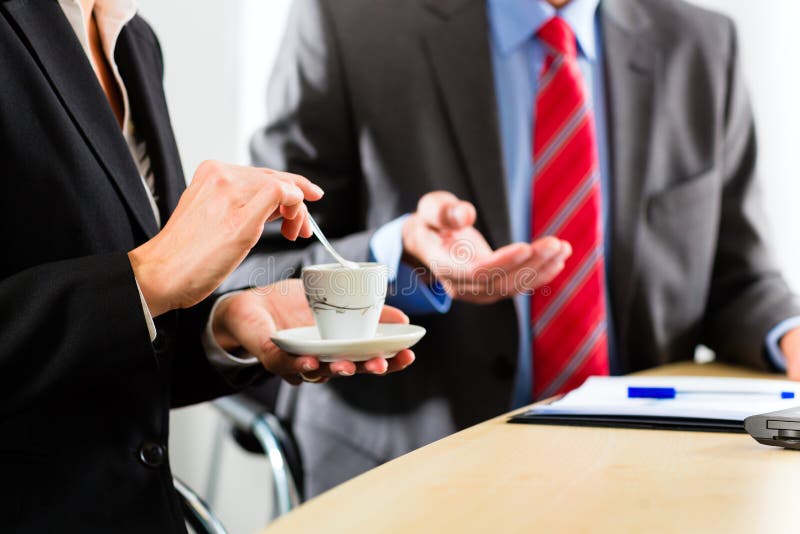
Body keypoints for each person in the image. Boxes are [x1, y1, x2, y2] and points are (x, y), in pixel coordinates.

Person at [247, 0, 800, 497]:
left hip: (644, 474)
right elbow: (262, 268)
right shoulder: (347, 21)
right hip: (404, 477)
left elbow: (737, 278)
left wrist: (790, 334)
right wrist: (401, 257)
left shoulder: (702, 44)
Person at [0, 0, 415, 531]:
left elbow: (113, 347)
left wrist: (223, 327)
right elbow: (137, 282)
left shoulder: (133, 40)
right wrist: (146, 278)